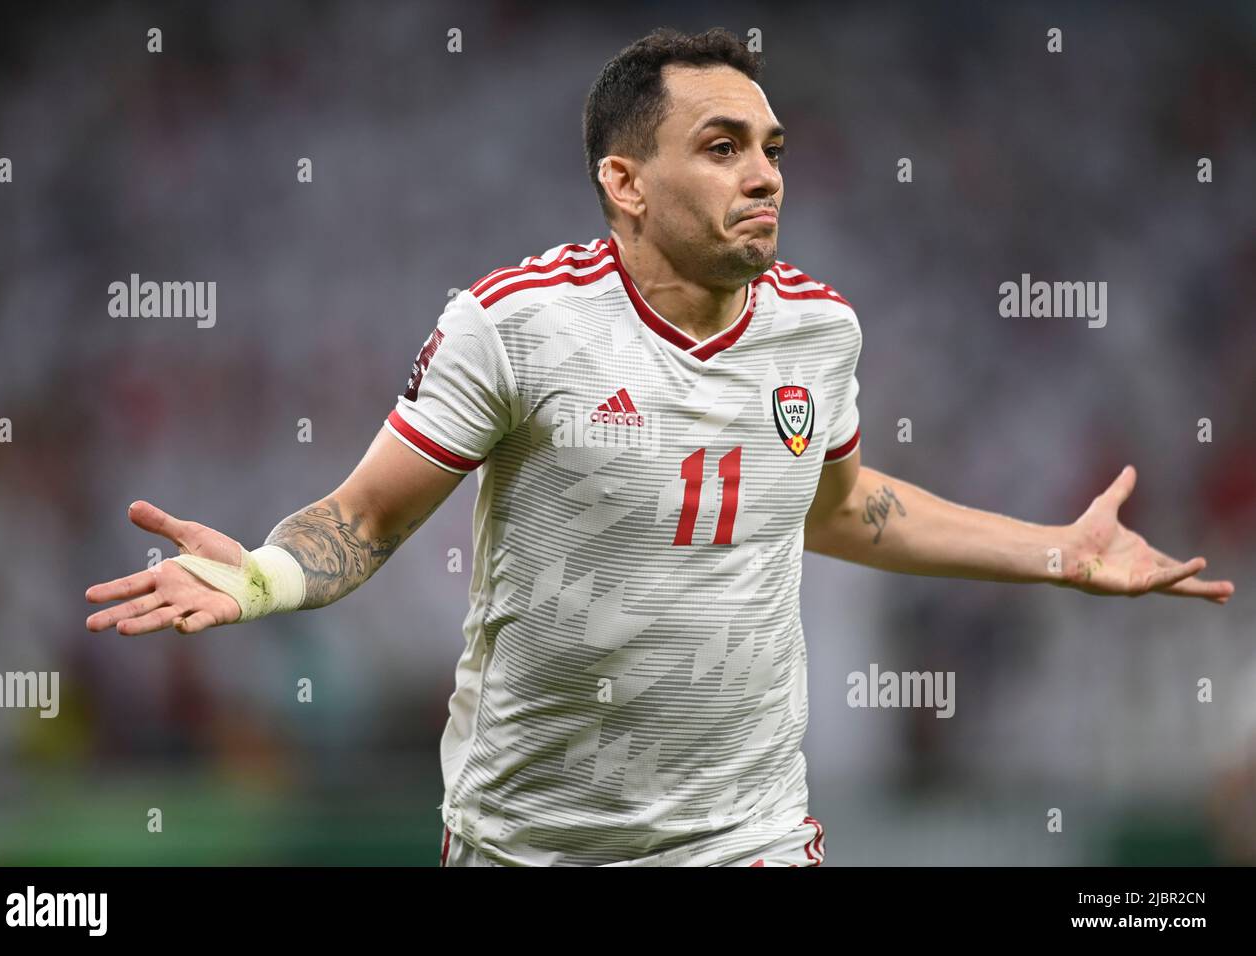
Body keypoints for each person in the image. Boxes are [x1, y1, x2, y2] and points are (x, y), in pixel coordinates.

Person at [84, 27, 1234, 867]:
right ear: (622, 182)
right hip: (526, 841)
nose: (765, 172)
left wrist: (1057, 552)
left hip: (748, 835)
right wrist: (262, 578)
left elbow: (830, 503)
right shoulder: (514, 323)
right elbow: (369, 516)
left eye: (771, 146)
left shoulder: (818, 328)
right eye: (723, 145)